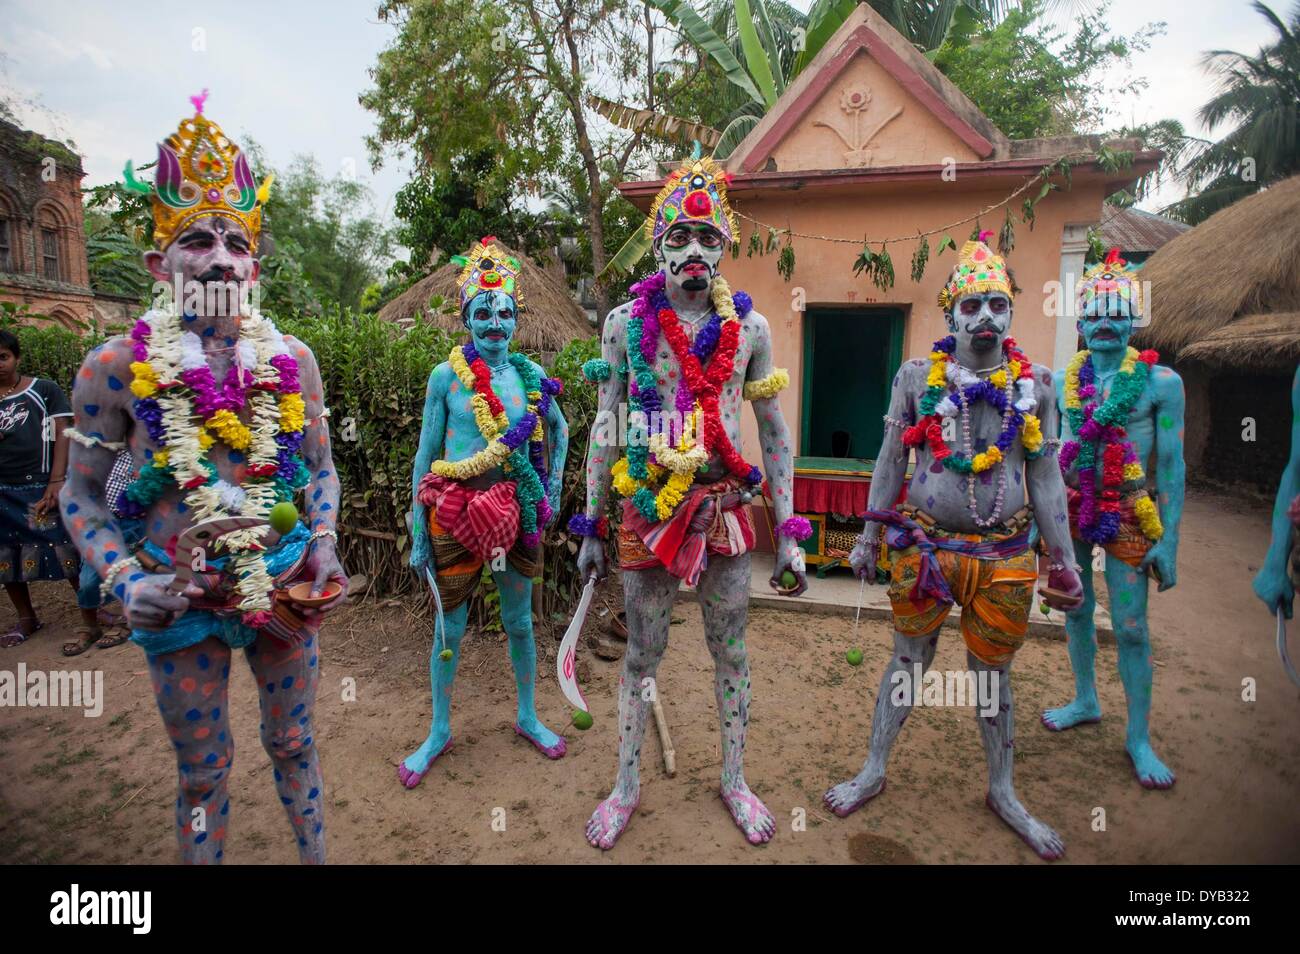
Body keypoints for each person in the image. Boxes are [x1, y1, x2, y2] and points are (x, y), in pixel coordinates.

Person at [59, 92, 347, 864]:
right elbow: (78, 493)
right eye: (196, 239)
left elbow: (321, 471)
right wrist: (122, 582)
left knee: (294, 744)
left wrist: (322, 540)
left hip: (281, 583)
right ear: (160, 263)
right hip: (174, 599)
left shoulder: (295, 363)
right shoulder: (115, 368)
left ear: (254, 262)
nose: (219, 257)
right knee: (202, 773)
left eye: (234, 240)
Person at [573, 153, 806, 849]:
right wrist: (591, 521)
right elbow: (606, 421)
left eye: (709, 238)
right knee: (642, 655)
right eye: (680, 237)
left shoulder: (751, 331)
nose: (695, 251)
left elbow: (772, 429)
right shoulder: (622, 325)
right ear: (658, 245)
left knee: (730, 651)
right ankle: (626, 786)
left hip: (724, 505)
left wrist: (789, 532)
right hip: (646, 504)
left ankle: (734, 779)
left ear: (726, 246)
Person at [827, 233, 1084, 860]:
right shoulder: (917, 376)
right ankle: (874, 768)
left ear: (1012, 312)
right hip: (925, 545)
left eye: (998, 303)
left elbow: (1046, 476)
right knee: (907, 663)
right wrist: (868, 536)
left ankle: (1002, 789)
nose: (986, 317)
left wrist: (1068, 560)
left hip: (1005, 554)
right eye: (972, 305)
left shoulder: (1040, 385)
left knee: (992, 674)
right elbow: (890, 458)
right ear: (950, 314)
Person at [398, 236, 570, 788]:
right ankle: (439, 730)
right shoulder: (445, 378)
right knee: (448, 631)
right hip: (453, 510)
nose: (494, 323)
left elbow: (561, 431)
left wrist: (554, 490)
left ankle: (527, 715)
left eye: (503, 313)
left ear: (516, 319)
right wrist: (415, 521)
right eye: (483, 312)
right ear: (467, 317)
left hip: (515, 511)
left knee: (521, 621)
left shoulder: (530, 377)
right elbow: (427, 451)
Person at [1041, 248, 1185, 790]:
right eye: (1095, 313)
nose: (1105, 322)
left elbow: (1171, 468)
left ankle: (1139, 738)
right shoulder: (1060, 380)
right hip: (1072, 506)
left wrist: (1168, 542)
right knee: (1075, 609)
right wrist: (1041, 520)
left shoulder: (1160, 383)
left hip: (1128, 508)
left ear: (1133, 320)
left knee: (1129, 626)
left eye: (1117, 312)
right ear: (1080, 323)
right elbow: (1047, 452)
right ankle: (1085, 698)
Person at [0, 328, 93, 650]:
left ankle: (90, 613)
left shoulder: (44, 389)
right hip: (2, 489)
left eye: (4, 357)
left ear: (17, 358)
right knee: (5, 556)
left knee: (65, 547)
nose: (0, 364)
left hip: (39, 486)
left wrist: (56, 480)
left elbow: (62, 433)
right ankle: (26, 617)